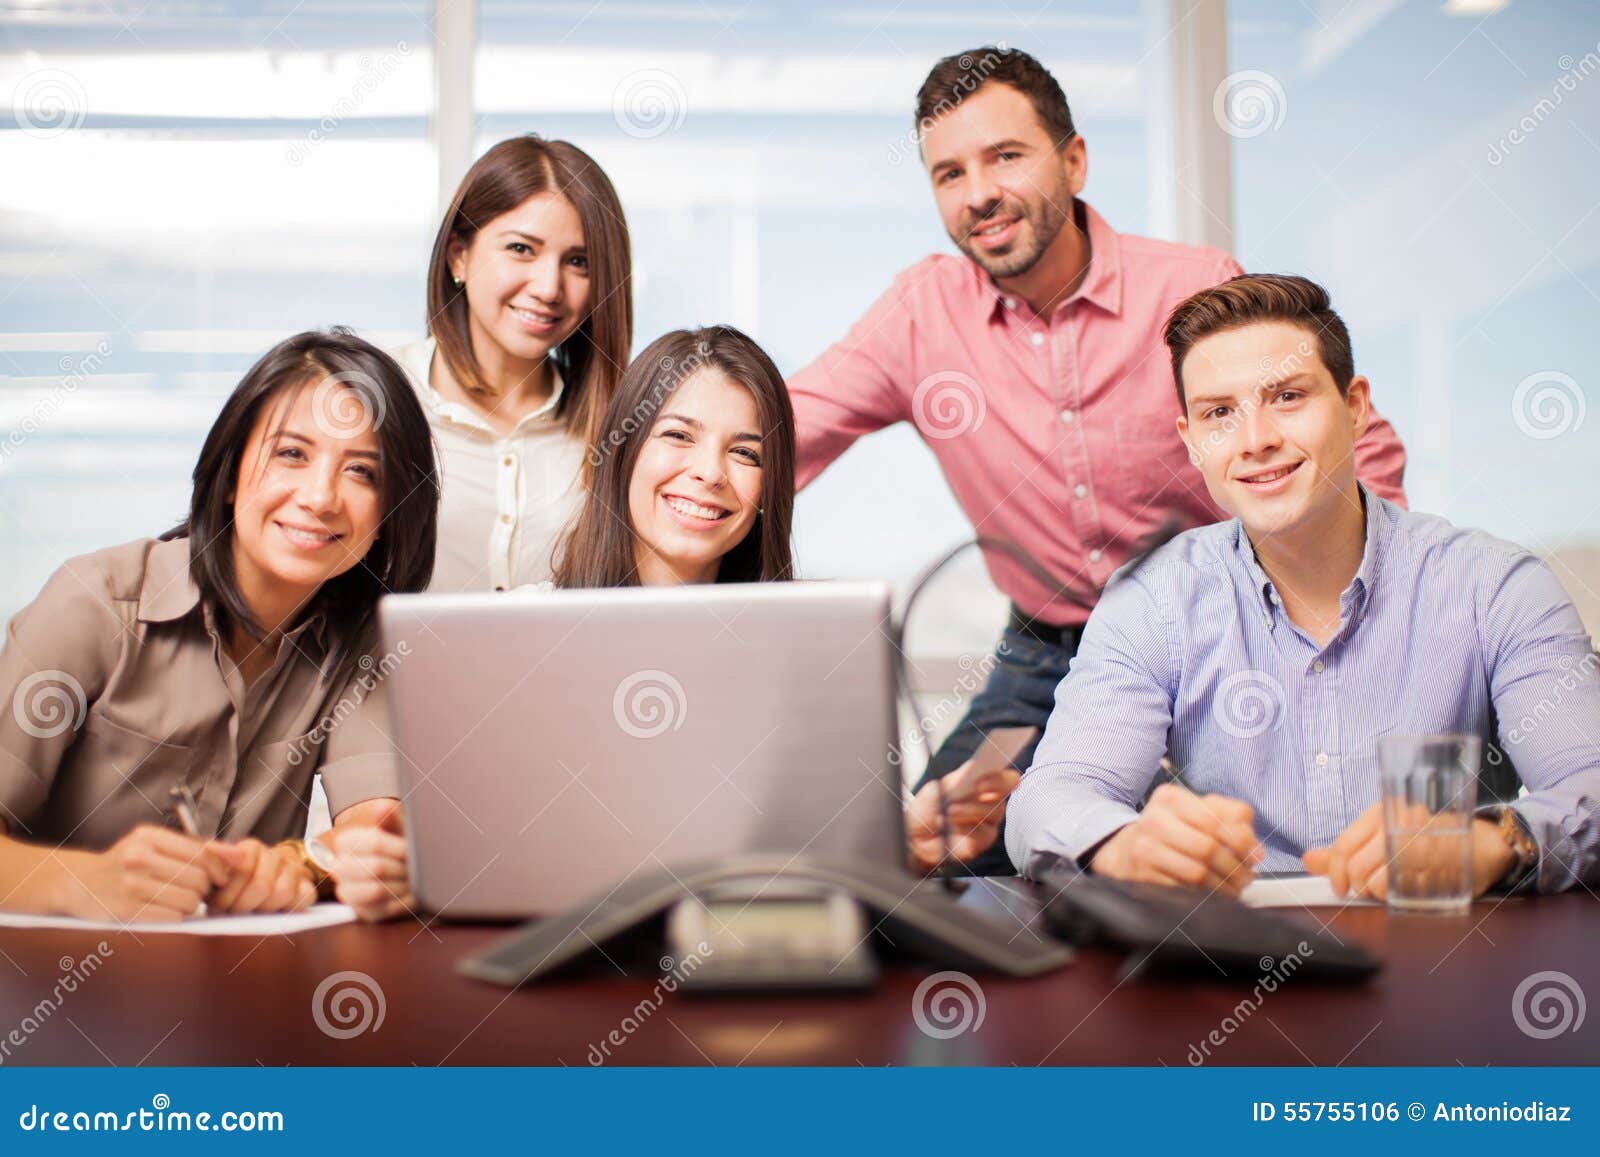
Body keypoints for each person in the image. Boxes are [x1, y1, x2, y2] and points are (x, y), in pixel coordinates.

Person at [786, 47, 1410, 875]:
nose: (979, 193)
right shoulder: (919, 316)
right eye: (949, 173)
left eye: (1005, 156)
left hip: (1215, 635)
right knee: (925, 862)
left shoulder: (1191, 290)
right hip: (1041, 654)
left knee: (1230, 860)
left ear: (1073, 160)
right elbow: (779, 431)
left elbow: (1352, 442)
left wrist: (1345, 616)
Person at [1005, 274, 1599, 898]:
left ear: (1355, 406)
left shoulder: (1497, 587)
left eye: (1287, 397)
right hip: (1226, 967)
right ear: (1191, 442)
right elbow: (1048, 798)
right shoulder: (1151, 601)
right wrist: (1119, 844)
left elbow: (1587, 781)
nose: (1257, 440)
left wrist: (1497, 841)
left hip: (1437, 956)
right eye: (1219, 414)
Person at [335, 324, 799, 918]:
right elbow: (458, 844)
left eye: (745, 452)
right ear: (624, 449)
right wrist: (397, 868)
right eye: (679, 435)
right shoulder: (520, 631)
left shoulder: (796, 654)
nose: (710, 472)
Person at [0, 330, 440, 922]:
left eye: (362, 471)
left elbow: (373, 828)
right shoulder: (96, 603)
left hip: (231, 990)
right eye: (291, 454)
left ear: (389, 513)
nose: (320, 496)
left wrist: (316, 866)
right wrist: (85, 882)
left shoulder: (367, 644)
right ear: (231, 470)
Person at [391, 135, 634, 593]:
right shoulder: (378, 398)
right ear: (458, 255)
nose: (548, 287)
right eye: (522, 249)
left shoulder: (618, 425)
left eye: (578, 262)